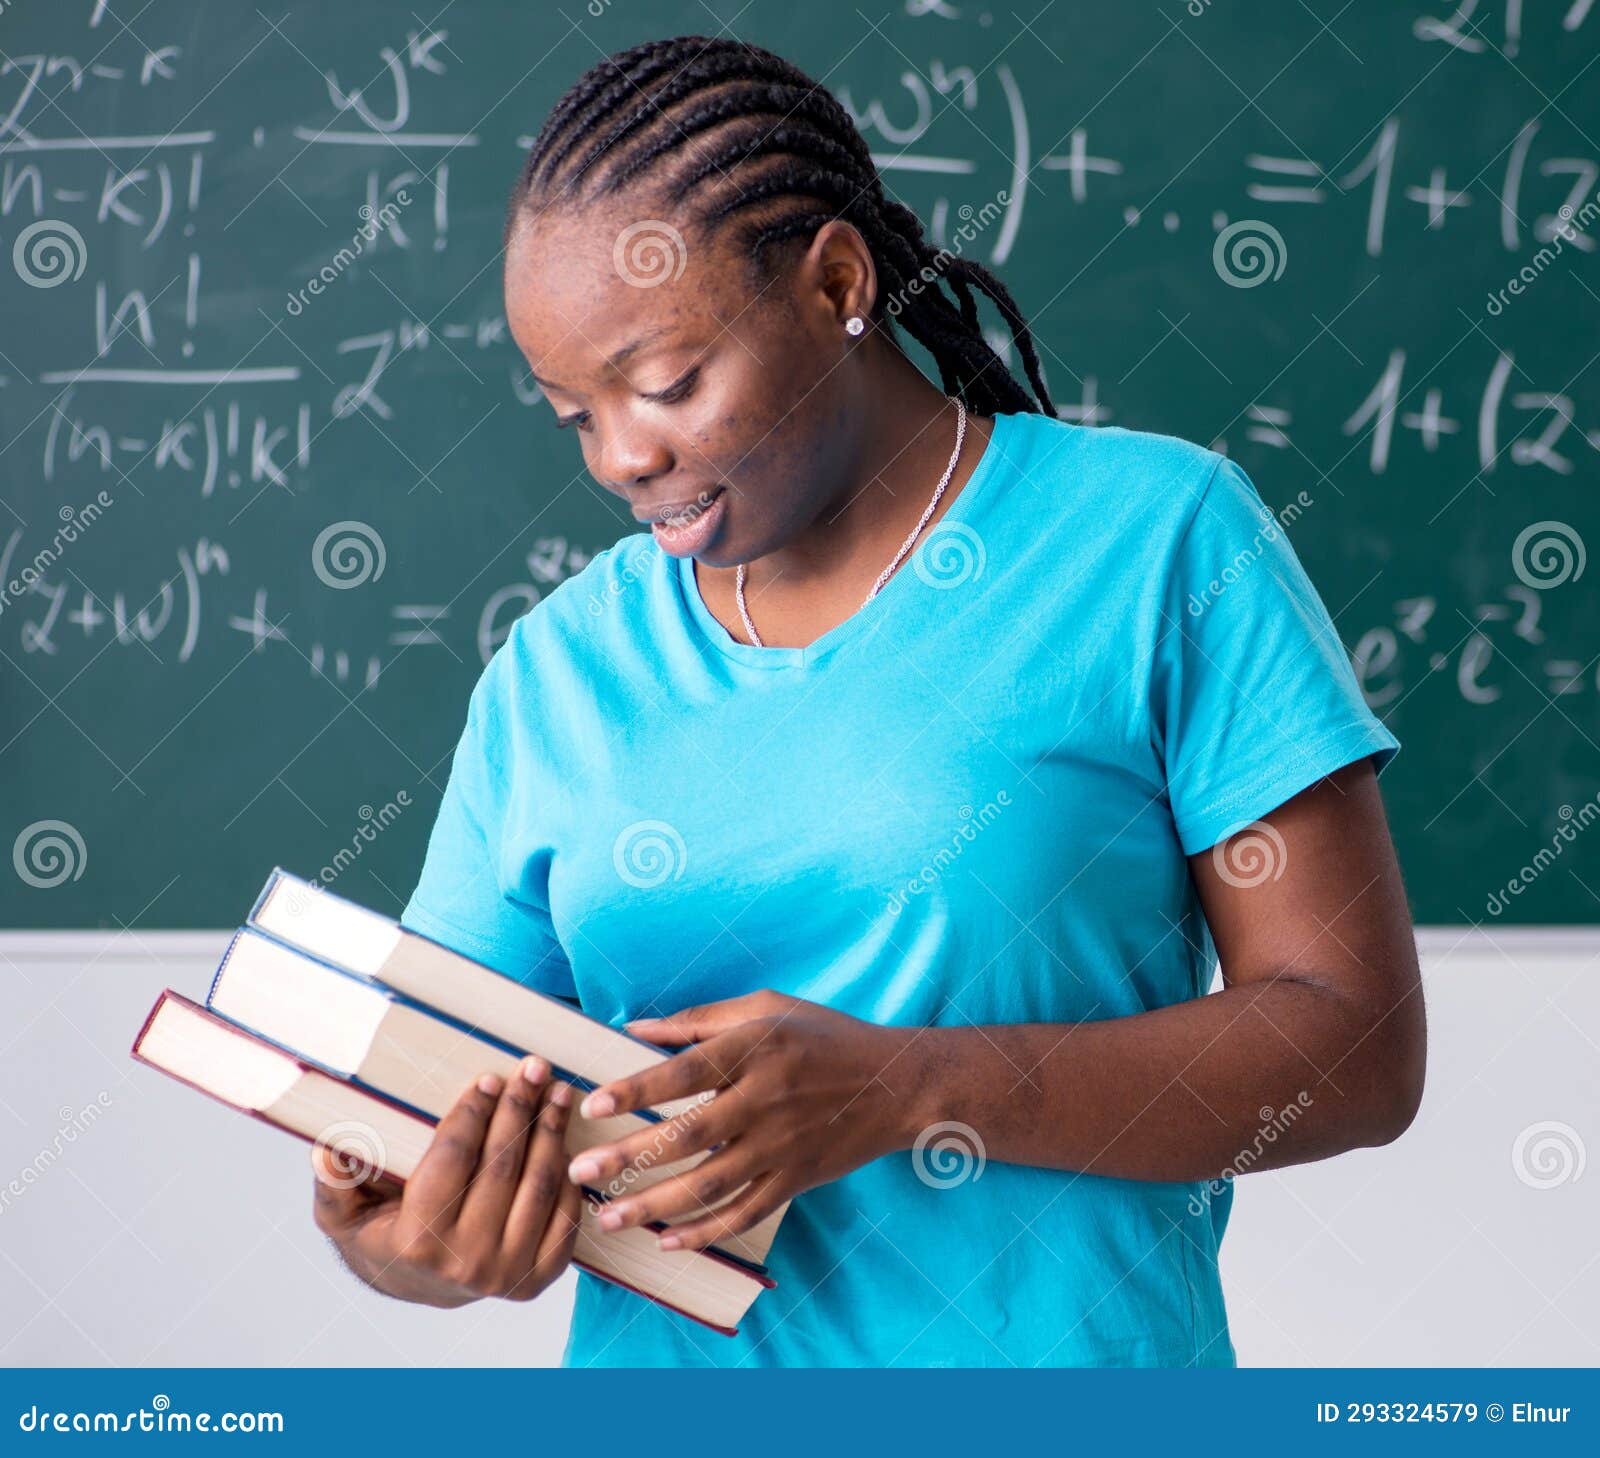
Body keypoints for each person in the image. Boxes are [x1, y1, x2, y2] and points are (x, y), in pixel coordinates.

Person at [311, 34, 1425, 1368]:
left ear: (837, 281)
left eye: (666, 383)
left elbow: (1354, 1045)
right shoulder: (555, 672)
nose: (622, 455)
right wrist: (407, 1238)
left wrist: (905, 1089)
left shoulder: (1157, 542)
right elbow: (432, 1122)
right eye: (574, 415)